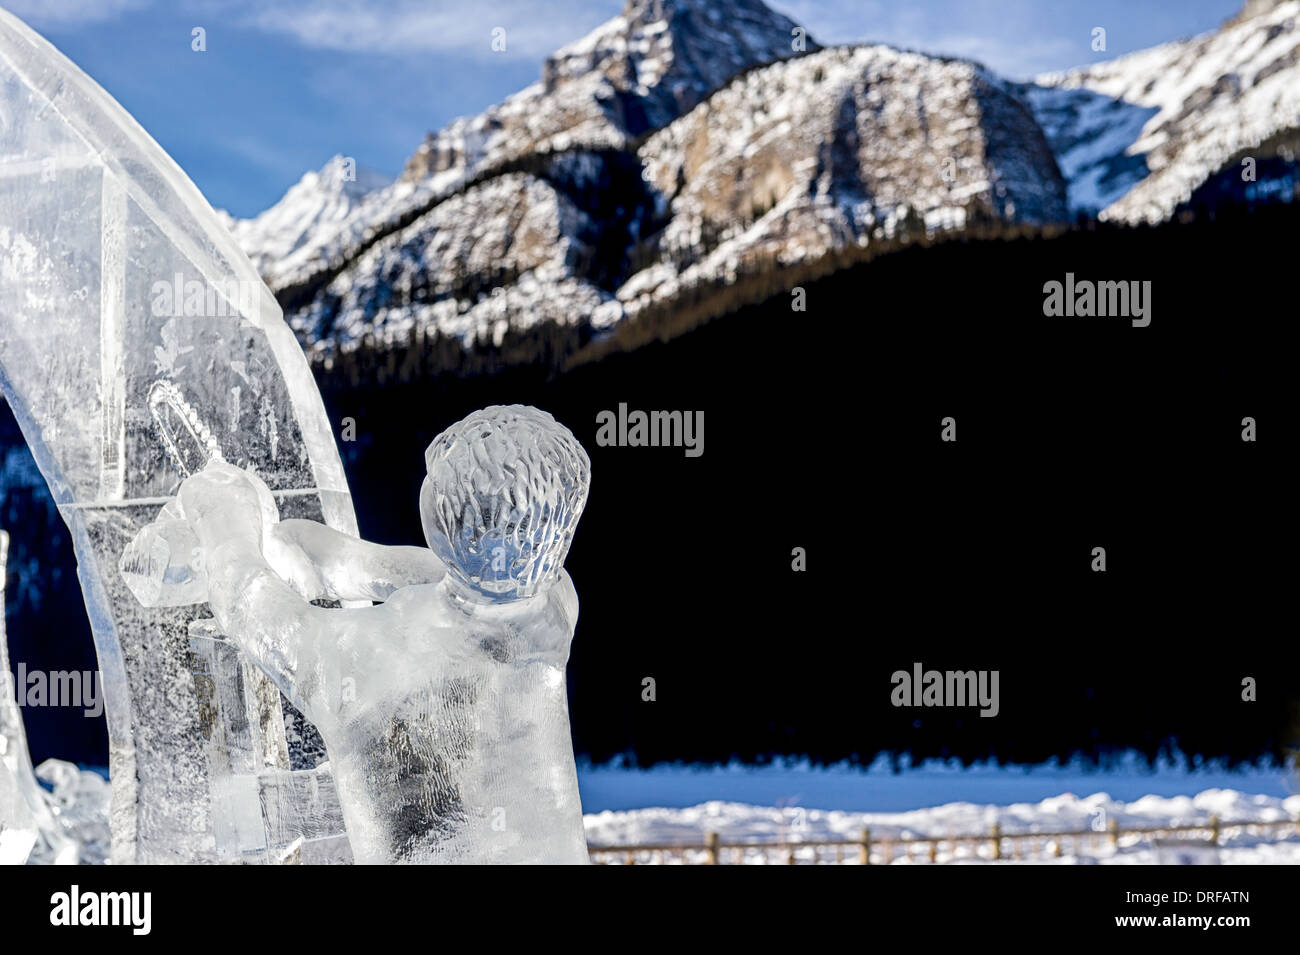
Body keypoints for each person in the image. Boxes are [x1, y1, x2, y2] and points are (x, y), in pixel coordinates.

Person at [159, 405, 591, 864]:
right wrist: (309, 549)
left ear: (441, 518)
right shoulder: (553, 606)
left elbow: (247, 602)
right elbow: (396, 571)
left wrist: (222, 515)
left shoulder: (360, 660)